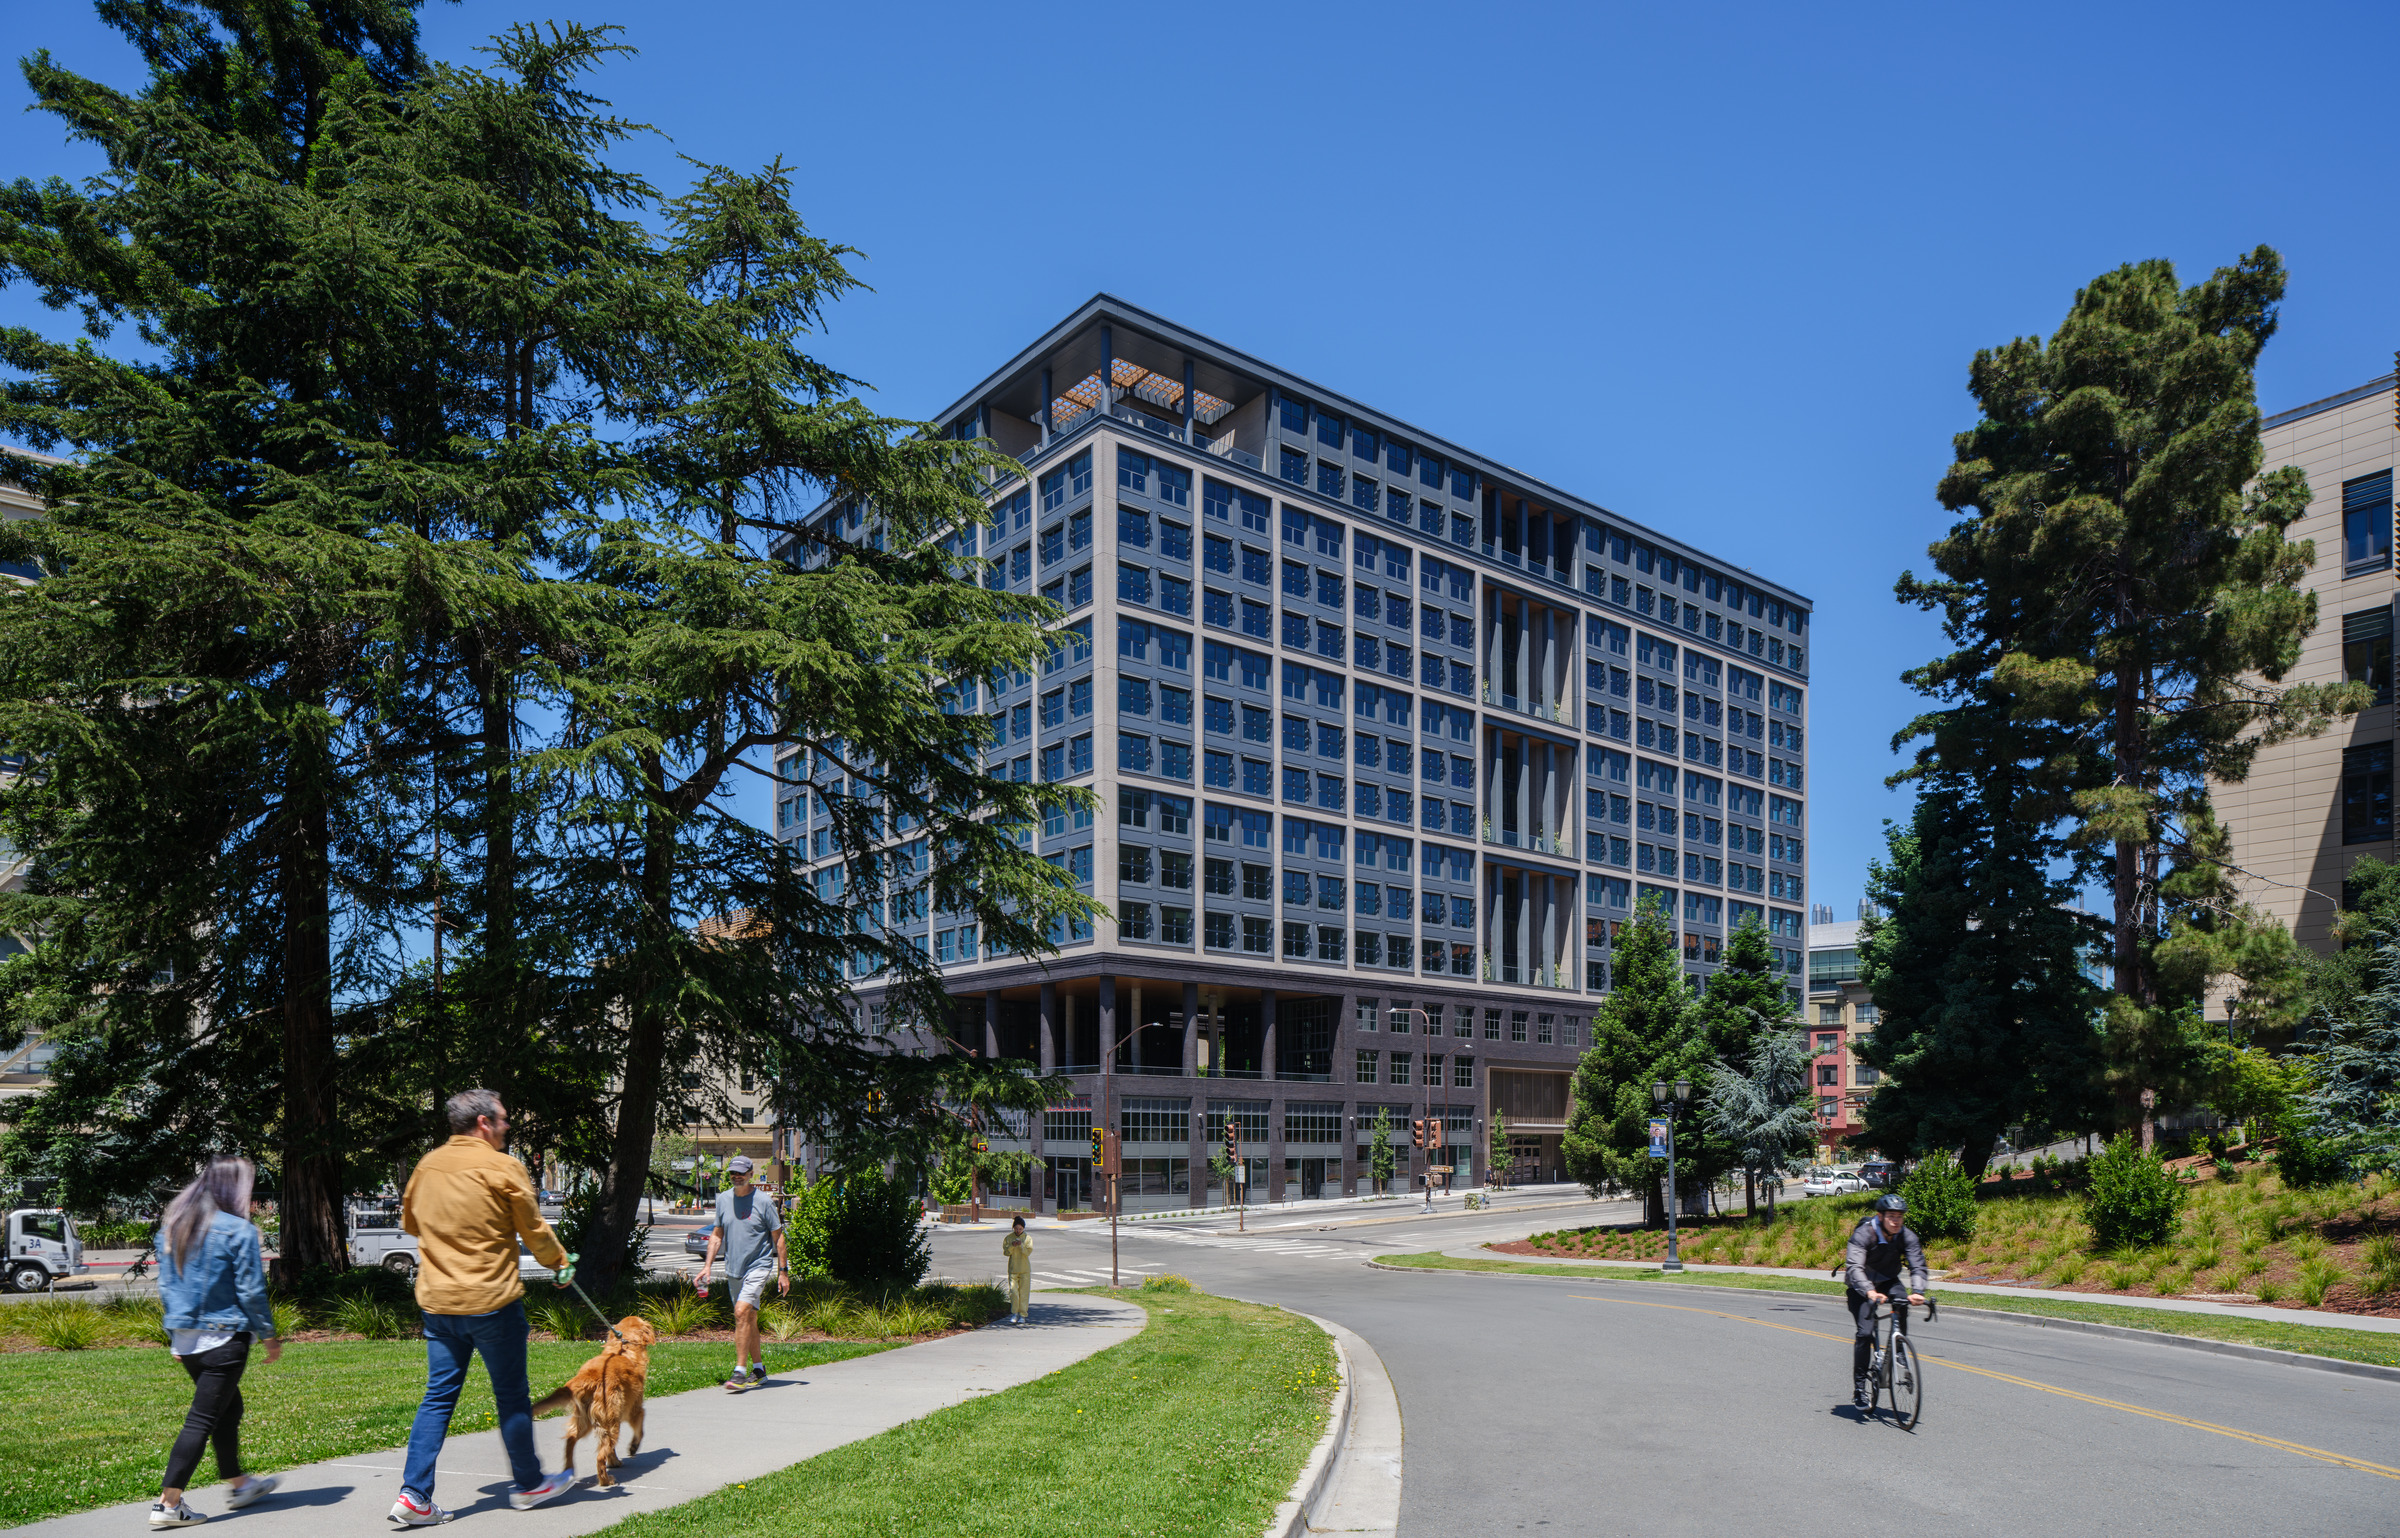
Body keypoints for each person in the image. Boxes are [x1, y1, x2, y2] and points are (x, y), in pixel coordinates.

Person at [389, 1088, 578, 1526]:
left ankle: (414, 1494)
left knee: (437, 1398)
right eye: (504, 1119)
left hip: (438, 1304)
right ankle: (529, 1484)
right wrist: (561, 1262)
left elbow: (410, 1223)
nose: (508, 1126)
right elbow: (534, 1230)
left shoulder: (426, 1165)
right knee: (511, 1397)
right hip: (492, 1302)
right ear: (483, 1123)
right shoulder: (503, 1166)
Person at [150, 1156, 282, 1528]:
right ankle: (168, 1503)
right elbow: (252, 1291)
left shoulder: (175, 1227)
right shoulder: (237, 1230)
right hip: (225, 1339)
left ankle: (239, 1484)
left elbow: (166, 1287)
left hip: (190, 1343)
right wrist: (270, 1336)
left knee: (229, 1408)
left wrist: (175, 1338)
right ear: (234, 1189)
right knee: (202, 1419)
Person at [691, 1155, 787, 1389]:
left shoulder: (763, 1201)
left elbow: (779, 1238)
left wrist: (783, 1272)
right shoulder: (723, 1199)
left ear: (751, 1174)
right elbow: (716, 1235)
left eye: (741, 1172)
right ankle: (758, 1370)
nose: (737, 1176)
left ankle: (739, 1372)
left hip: (759, 1265)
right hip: (734, 1269)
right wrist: (707, 1266)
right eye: (733, 1172)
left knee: (741, 1311)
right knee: (749, 1318)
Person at [1843, 1192, 1929, 1409]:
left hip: (1889, 1280)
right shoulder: (1864, 1234)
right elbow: (1854, 1267)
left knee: (1902, 1303)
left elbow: (1917, 1264)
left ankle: (1899, 1348)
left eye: (1900, 1216)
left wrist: (1918, 1290)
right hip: (1860, 1286)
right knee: (1865, 1333)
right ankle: (1860, 1389)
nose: (1896, 1221)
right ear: (1880, 1216)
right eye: (1891, 1216)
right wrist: (1869, 1292)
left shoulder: (1906, 1235)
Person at [1001, 1216, 1032, 1324]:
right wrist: (1012, 1246)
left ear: (1023, 1228)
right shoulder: (1009, 1238)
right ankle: (1014, 1313)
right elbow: (1006, 1252)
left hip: (1025, 1269)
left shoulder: (1027, 1238)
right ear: (1013, 1228)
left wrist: (1021, 1245)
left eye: (1020, 1229)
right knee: (1013, 1292)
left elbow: (1028, 1252)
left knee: (1024, 1293)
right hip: (1013, 1269)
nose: (1018, 1231)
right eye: (1016, 1228)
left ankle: (1023, 1314)